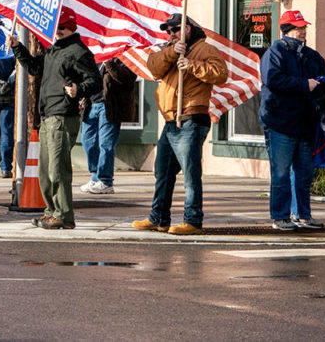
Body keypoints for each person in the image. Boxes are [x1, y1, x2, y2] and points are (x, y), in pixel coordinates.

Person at [132, 14, 227, 236]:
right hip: (170, 120)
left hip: (191, 118)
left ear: (189, 29)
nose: (172, 33)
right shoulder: (170, 49)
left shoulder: (205, 49)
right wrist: (172, 52)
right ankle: (159, 218)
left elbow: (221, 75)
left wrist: (192, 65)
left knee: (190, 173)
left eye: (176, 29)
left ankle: (192, 220)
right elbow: (153, 67)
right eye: (169, 30)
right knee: (162, 171)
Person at [9, 6, 100, 230]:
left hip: (62, 115)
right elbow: (33, 67)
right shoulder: (53, 50)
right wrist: (17, 48)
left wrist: (78, 89)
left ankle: (64, 215)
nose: (58, 31)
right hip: (48, 115)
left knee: (58, 169)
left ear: (72, 28)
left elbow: (95, 81)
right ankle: (51, 212)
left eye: (63, 27)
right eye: (56, 27)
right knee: (45, 170)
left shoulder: (79, 52)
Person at [259, 9, 325, 231]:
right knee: (280, 173)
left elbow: (323, 80)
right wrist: (304, 84)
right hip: (280, 122)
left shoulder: (312, 55)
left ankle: (302, 215)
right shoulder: (274, 53)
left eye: (303, 27)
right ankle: (280, 217)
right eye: (297, 27)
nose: (302, 31)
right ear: (286, 30)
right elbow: (273, 79)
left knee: (304, 174)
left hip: (306, 123)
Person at [80, 57, 136, 194]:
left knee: (106, 144)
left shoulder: (123, 58)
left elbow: (127, 80)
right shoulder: (95, 57)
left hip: (109, 106)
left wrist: (109, 63)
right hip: (91, 105)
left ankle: (105, 181)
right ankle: (95, 176)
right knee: (87, 141)